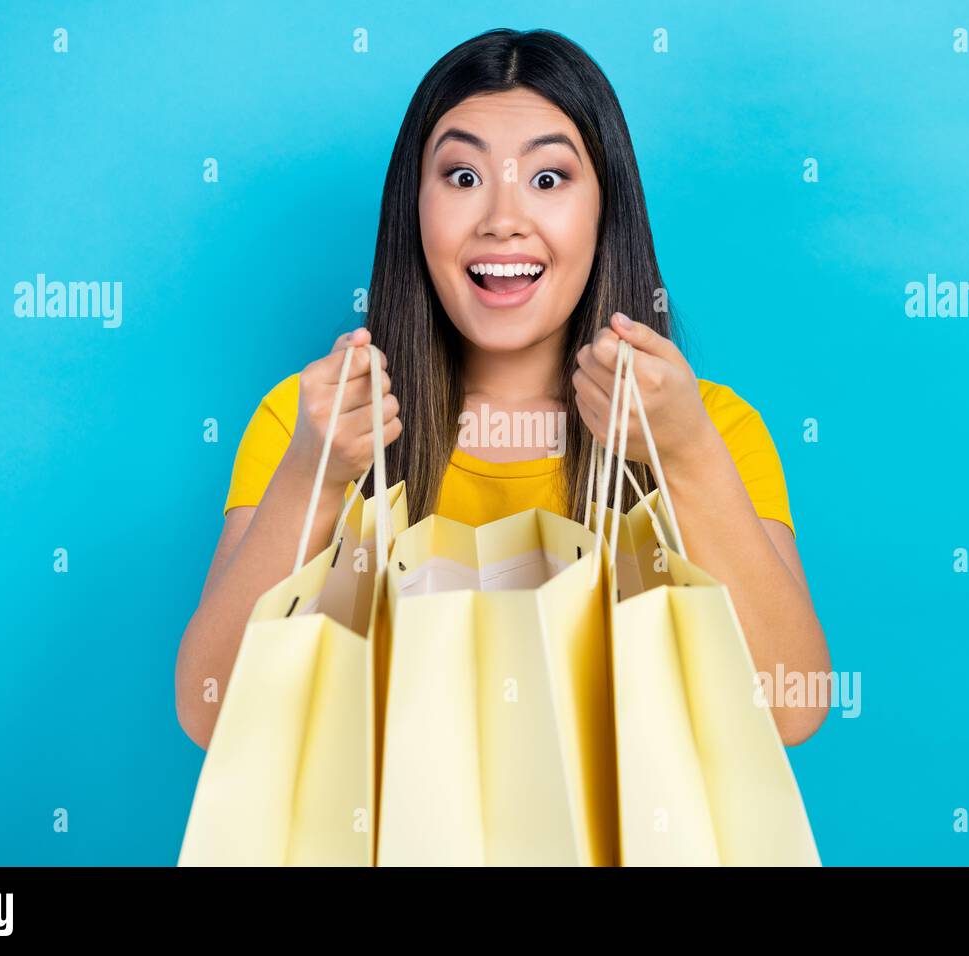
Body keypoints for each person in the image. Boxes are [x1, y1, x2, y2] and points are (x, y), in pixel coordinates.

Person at [175, 28, 831, 750]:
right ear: (412, 208)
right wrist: (315, 473)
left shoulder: (713, 429)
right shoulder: (312, 423)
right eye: (462, 177)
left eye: (548, 180)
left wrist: (683, 454)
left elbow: (792, 707)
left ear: (605, 210)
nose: (503, 221)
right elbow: (210, 714)